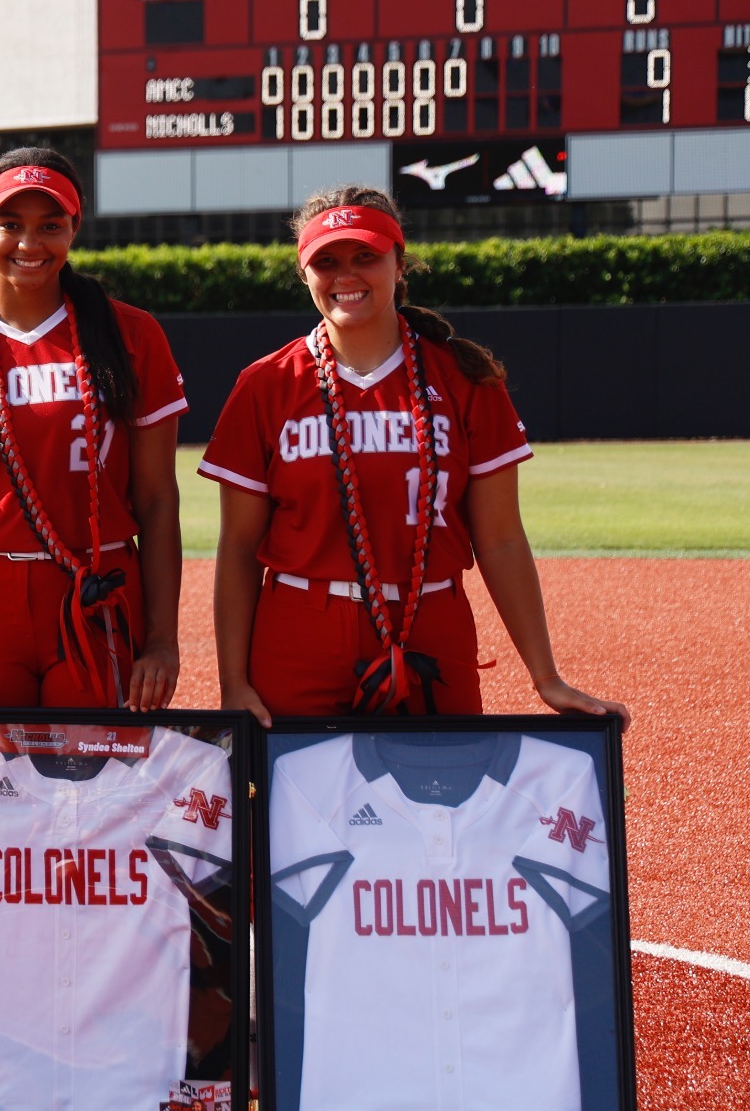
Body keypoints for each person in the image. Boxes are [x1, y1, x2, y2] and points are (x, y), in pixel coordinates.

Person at [200, 187, 626, 723]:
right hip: (300, 629)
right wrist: (232, 683)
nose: (346, 276)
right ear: (303, 273)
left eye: (366, 257)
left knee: (445, 802)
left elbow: (500, 539)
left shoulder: (465, 378)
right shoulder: (265, 384)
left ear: (400, 264)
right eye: (326, 261)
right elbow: (238, 547)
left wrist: (546, 677)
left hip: (433, 619)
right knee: (294, 804)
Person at [0, 148, 186, 713]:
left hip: (98, 588)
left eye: (50, 226)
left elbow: (156, 500)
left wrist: (164, 639)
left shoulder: (132, 336)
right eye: (10, 224)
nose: (30, 243)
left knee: (98, 779)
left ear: (75, 227)